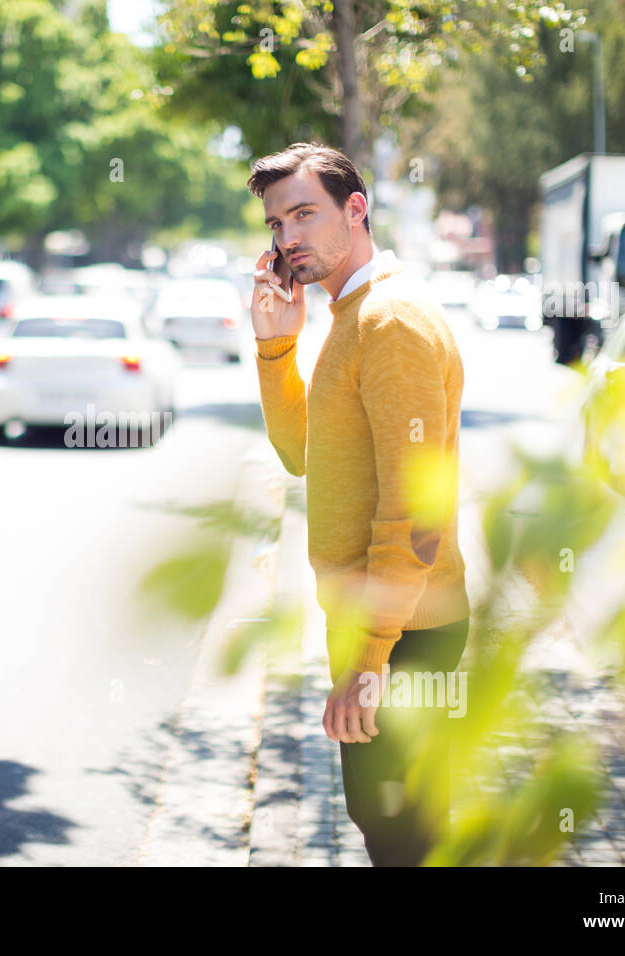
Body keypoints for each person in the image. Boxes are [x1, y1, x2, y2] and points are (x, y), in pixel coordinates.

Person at [247, 142, 471, 866]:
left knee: (403, 834)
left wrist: (372, 660)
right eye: (278, 224)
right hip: (385, 624)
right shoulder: (352, 315)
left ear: (356, 208)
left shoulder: (390, 323)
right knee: (390, 826)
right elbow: (302, 454)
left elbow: (415, 511)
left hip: (409, 629)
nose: (289, 239)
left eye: (305, 214)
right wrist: (277, 349)